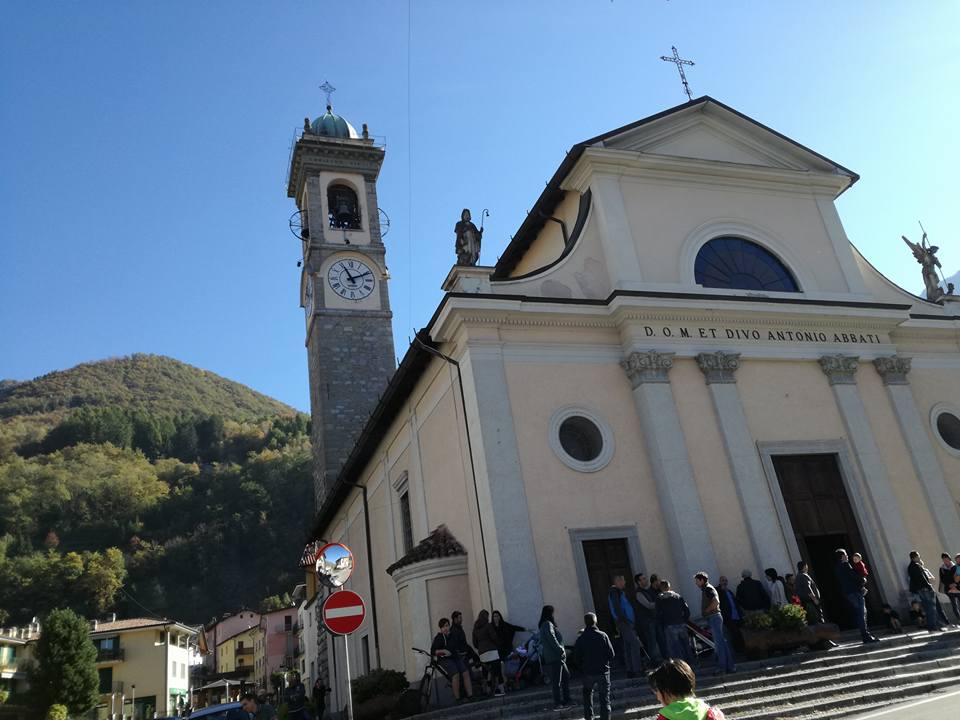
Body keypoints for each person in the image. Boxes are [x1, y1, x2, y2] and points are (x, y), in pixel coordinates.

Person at [648, 659, 726, 720]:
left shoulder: (666, 717)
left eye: (657, 691)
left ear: (667, 691)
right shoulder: (710, 712)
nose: (658, 697)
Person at [573, 612, 615, 720]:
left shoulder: (581, 638)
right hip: (603, 671)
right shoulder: (603, 635)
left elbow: (576, 657)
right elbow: (611, 654)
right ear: (595, 621)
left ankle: (589, 717)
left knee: (587, 696)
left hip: (588, 672)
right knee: (605, 699)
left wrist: (582, 668)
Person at [694, 572, 735, 676]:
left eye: (697, 581)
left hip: (714, 617)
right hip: (715, 617)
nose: (696, 583)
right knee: (722, 643)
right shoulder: (707, 588)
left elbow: (716, 601)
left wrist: (707, 611)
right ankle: (730, 666)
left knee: (719, 644)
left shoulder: (708, 588)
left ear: (702, 580)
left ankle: (722, 667)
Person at [836, 548, 879, 643]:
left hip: (848, 593)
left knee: (860, 613)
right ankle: (866, 636)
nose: (847, 556)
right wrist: (863, 580)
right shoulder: (846, 564)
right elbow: (854, 577)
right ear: (843, 556)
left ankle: (866, 635)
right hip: (855, 592)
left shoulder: (837, 567)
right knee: (862, 613)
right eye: (846, 555)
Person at [431, 617, 474, 701]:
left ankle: (470, 695)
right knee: (455, 674)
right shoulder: (439, 637)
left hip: (455, 657)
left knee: (465, 672)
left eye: (447, 626)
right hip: (444, 659)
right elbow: (433, 651)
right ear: (441, 628)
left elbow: (457, 647)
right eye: (444, 626)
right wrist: (443, 650)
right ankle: (457, 698)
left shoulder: (452, 636)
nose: (446, 628)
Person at [538, 605, 573, 709]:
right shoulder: (547, 624)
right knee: (557, 681)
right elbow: (552, 638)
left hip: (556, 657)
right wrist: (560, 650)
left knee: (565, 676)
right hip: (555, 657)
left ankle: (567, 700)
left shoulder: (544, 625)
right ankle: (558, 703)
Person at [608, 574, 643, 677]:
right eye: (623, 581)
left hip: (625, 622)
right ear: (618, 582)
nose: (625, 583)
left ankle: (630, 670)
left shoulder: (619, 592)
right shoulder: (614, 592)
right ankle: (637, 669)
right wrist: (625, 620)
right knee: (635, 644)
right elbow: (617, 608)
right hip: (624, 622)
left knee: (628, 646)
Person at [655, 579, 692, 665]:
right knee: (686, 646)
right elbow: (687, 610)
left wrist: (662, 623)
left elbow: (658, 614)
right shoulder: (678, 596)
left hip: (669, 625)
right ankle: (691, 664)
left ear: (661, 588)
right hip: (681, 623)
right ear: (669, 586)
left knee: (674, 648)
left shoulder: (659, 598)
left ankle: (680, 666)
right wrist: (684, 620)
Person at [907, 550, 942, 632]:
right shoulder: (916, 566)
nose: (919, 557)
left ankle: (931, 626)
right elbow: (922, 578)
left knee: (927, 608)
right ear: (915, 557)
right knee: (931, 608)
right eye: (918, 556)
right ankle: (933, 626)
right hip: (925, 589)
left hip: (920, 590)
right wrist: (929, 587)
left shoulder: (910, 567)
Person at [472, 610, 504, 696]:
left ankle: (486, 690)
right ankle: (499, 690)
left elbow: (475, 643)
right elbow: (494, 637)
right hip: (492, 651)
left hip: (482, 654)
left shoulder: (475, 628)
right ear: (486, 616)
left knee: (486, 672)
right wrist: (498, 644)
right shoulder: (488, 625)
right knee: (497, 671)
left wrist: (481, 648)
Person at [635, 573, 663, 665]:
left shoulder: (646, 591)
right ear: (639, 582)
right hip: (647, 622)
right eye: (643, 579)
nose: (646, 580)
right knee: (652, 642)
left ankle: (660, 659)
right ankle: (656, 661)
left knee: (658, 640)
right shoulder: (639, 593)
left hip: (653, 620)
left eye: (645, 578)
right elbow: (648, 605)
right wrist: (660, 602)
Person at [716, 576, 744, 653]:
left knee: (739, 633)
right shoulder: (718, 591)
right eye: (723, 580)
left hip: (736, 616)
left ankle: (741, 649)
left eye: (726, 580)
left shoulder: (729, 591)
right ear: (720, 582)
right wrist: (721, 589)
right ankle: (738, 650)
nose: (725, 582)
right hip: (729, 617)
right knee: (734, 634)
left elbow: (735, 603)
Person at [649, 574, 669, 659]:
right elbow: (652, 605)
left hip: (664, 619)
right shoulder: (649, 592)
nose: (660, 582)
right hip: (656, 620)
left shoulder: (659, 590)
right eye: (658, 580)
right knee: (661, 640)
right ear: (654, 582)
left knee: (666, 639)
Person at [938, 553, 960, 623]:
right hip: (949, 589)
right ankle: (959, 619)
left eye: (946, 559)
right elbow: (942, 579)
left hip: (957, 587)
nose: (945, 561)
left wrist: (955, 584)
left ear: (949, 559)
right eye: (943, 559)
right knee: (954, 604)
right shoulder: (942, 569)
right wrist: (949, 585)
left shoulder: (956, 566)